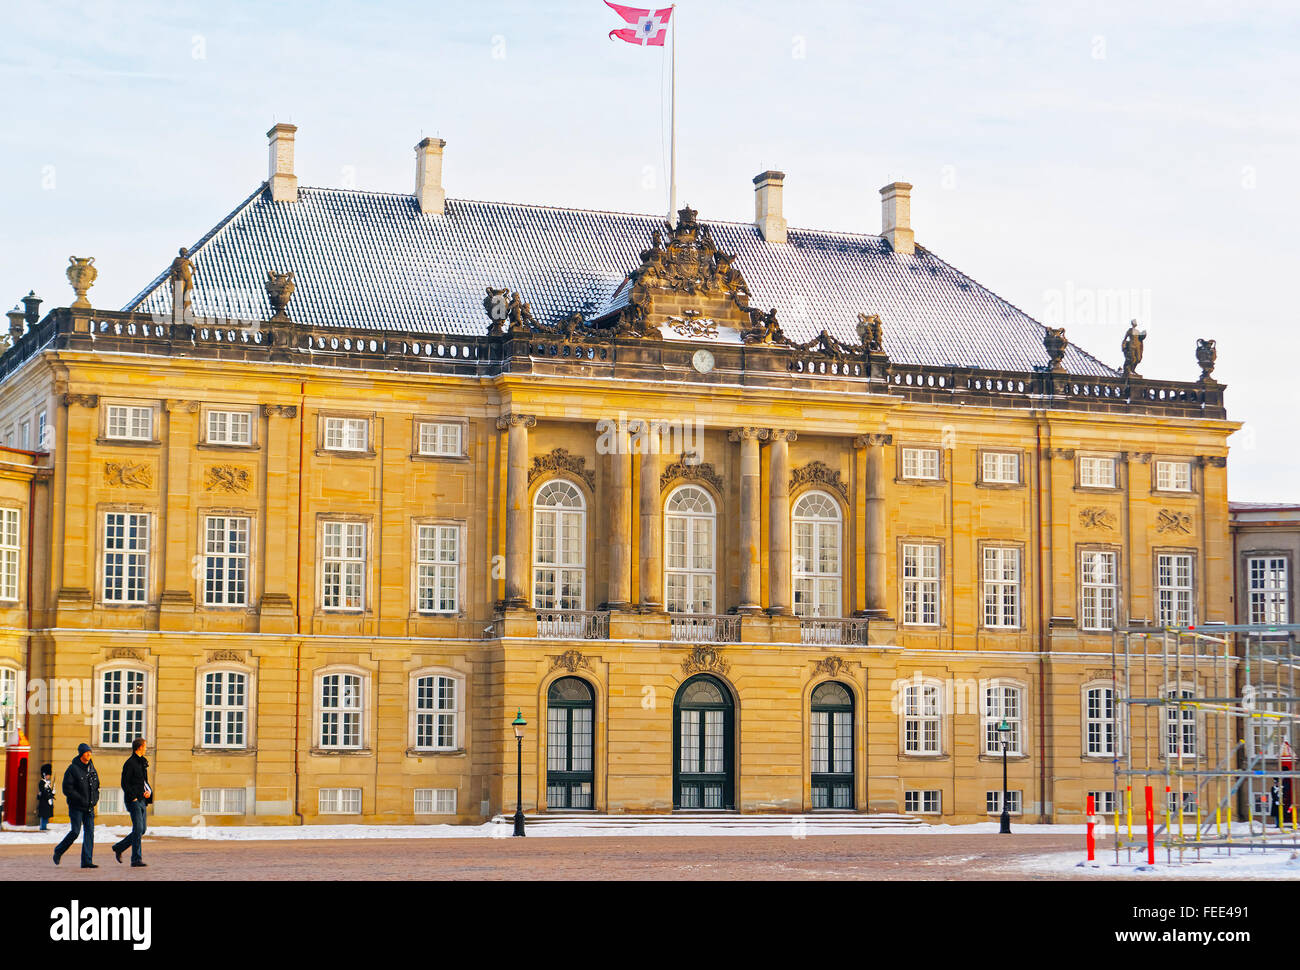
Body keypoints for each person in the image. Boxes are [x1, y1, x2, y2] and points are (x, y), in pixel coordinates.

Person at [53, 743, 99, 868]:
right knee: (75, 831)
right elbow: (67, 789)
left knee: (90, 833)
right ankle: (59, 851)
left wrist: (95, 799)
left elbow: (96, 786)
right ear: (81, 754)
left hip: (89, 807)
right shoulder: (73, 769)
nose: (89, 754)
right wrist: (80, 799)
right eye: (86, 752)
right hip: (76, 807)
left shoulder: (92, 768)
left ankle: (87, 861)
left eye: (90, 752)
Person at [112, 738, 152, 867]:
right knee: (138, 828)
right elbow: (125, 783)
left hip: (142, 799)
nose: (146, 748)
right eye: (145, 746)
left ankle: (119, 847)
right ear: (139, 747)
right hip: (133, 800)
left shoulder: (142, 762)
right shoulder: (130, 763)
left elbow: (143, 781)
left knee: (142, 829)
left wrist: (148, 792)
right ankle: (136, 859)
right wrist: (133, 797)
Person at [36, 764, 54, 832]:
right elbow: (43, 792)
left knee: (46, 815)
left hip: (46, 801)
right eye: (47, 775)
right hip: (44, 801)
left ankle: (44, 826)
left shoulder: (47, 782)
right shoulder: (42, 782)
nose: (49, 776)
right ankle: (43, 827)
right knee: (44, 815)